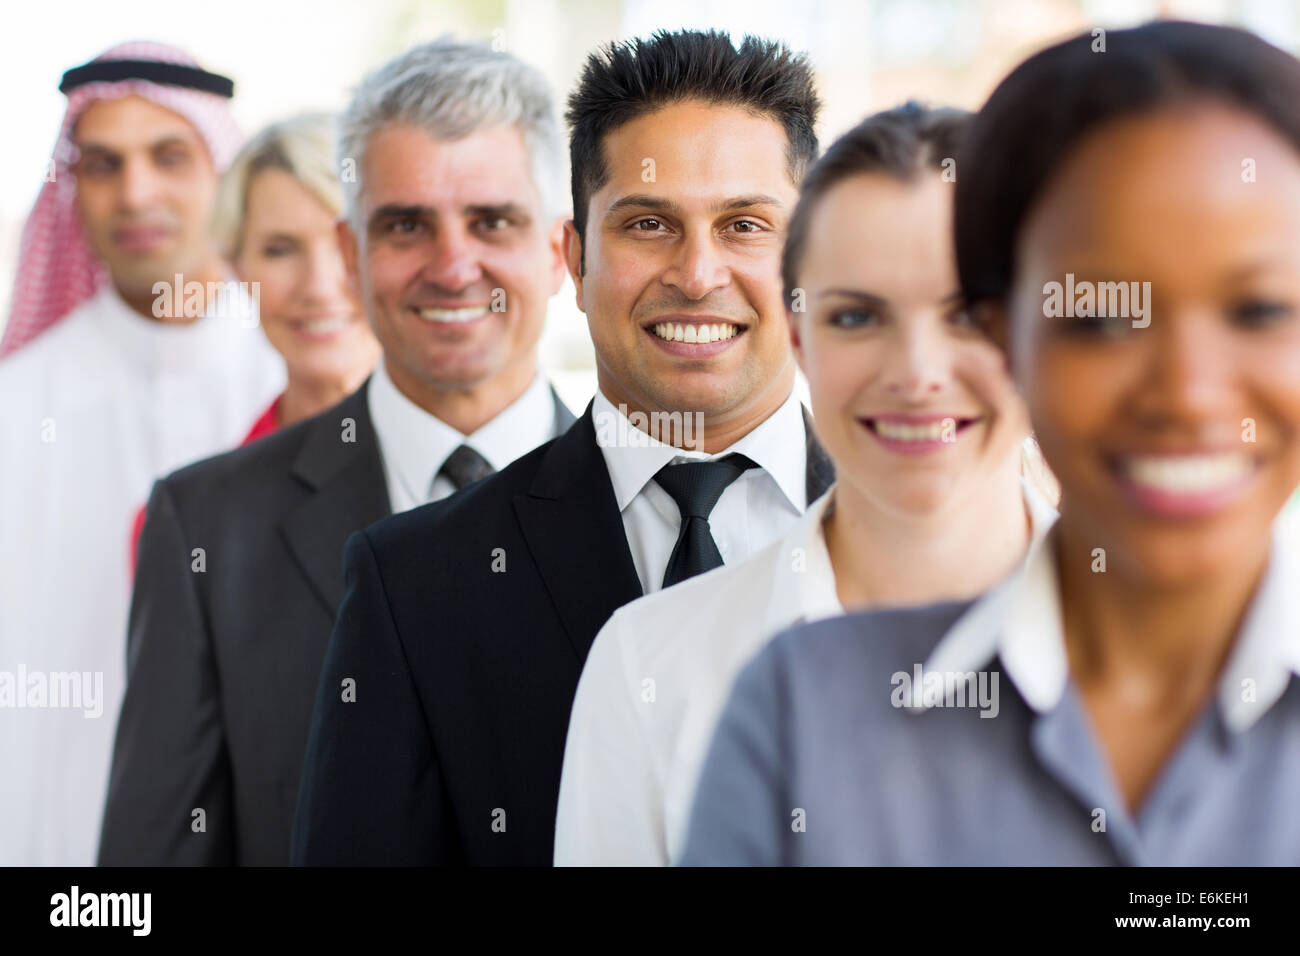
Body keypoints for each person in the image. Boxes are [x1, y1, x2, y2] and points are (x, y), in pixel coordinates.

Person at [682, 20, 1300, 865]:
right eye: (1102, 317)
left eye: (1261, 311)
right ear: (1009, 338)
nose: (1188, 395)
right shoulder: (800, 715)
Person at [291, 29, 832, 866]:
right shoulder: (416, 584)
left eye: (744, 224)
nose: (696, 273)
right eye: (648, 223)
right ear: (575, 259)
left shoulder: (931, 548)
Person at [98, 39, 574, 866]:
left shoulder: (663, 500)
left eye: (492, 221)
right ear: (354, 256)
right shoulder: (208, 527)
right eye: (405, 225)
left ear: (562, 250)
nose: (454, 266)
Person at [555, 103, 1059, 866]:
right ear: (799, 332)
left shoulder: (1210, 645)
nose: (918, 375)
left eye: (969, 315)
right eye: (858, 316)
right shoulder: (648, 663)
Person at [0, 41, 282, 867]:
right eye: (102, 164)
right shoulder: (19, 401)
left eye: (169, 157)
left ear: (223, 172)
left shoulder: (298, 373)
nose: (136, 194)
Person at [127, 112, 383, 574]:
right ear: (237, 268)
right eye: (280, 250)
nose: (320, 286)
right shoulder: (187, 523)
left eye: (349, 244)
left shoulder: (499, 473)